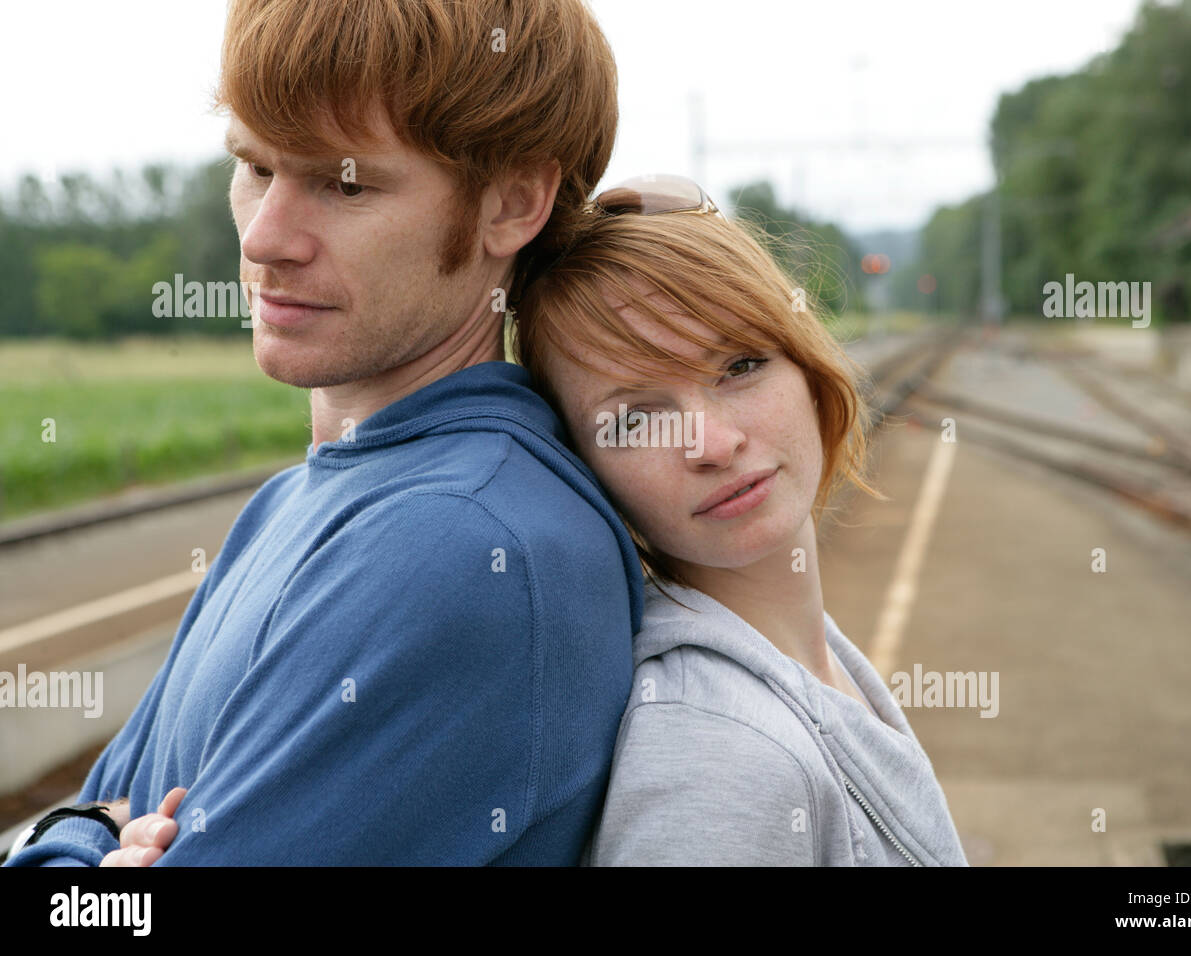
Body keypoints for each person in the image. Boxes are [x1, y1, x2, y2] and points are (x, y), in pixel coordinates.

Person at [5, 0, 642, 867]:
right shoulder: (301, 497)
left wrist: (64, 841)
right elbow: (104, 817)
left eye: (344, 184)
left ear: (514, 201)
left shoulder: (460, 542)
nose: (266, 240)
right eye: (256, 169)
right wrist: (77, 834)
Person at [510, 175, 970, 865]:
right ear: (584, 465)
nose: (714, 444)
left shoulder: (802, 661)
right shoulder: (718, 755)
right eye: (637, 418)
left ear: (807, 366)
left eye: (741, 365)